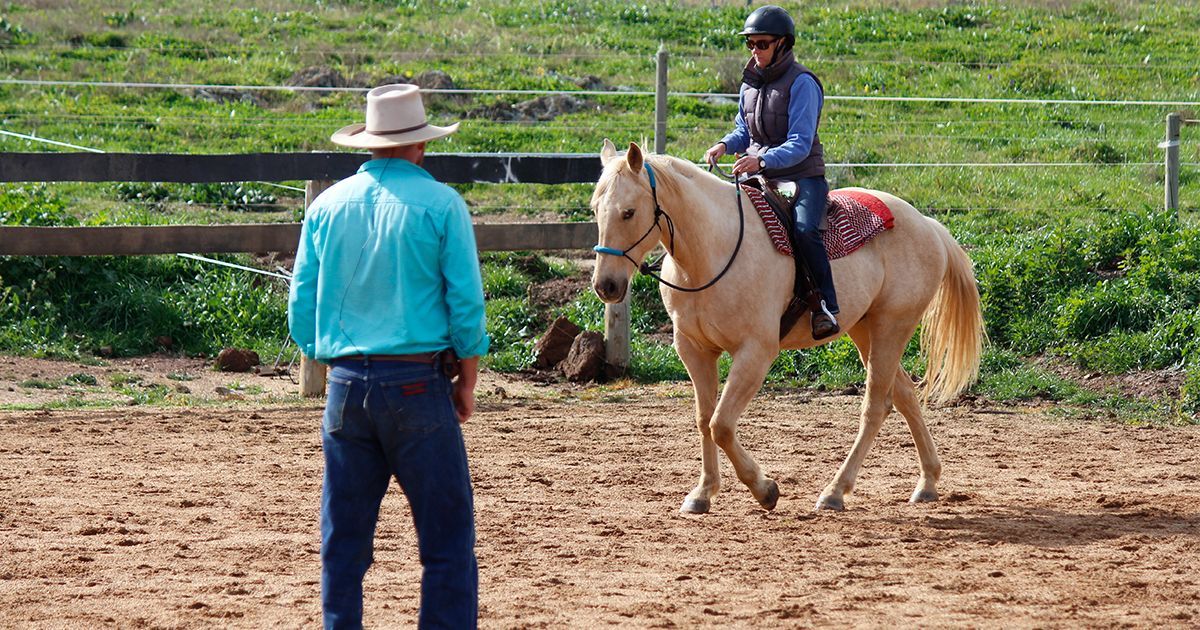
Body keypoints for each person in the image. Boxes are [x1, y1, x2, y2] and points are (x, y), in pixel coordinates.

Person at [287, 83, 489, 630]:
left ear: (370, 144)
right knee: (446, 542)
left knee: (343, 542)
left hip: (347, 386)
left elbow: (301, 308)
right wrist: (465, 381)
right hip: (420, 386)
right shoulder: (444, 205)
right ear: (421, 146)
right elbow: (466, 304)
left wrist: (335, 363)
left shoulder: (326, 206)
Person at [704, 5, 840, 340]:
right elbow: (743, 131)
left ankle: (824, 305)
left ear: (782, 43)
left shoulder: (804, 83)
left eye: (761, 44)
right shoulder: (749, 83)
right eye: (750, 44)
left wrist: (761, 162)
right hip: (760, 174)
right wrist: (724, 144)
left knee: (806, 229)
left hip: (802, 175)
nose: (755, 51)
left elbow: (800, 142)